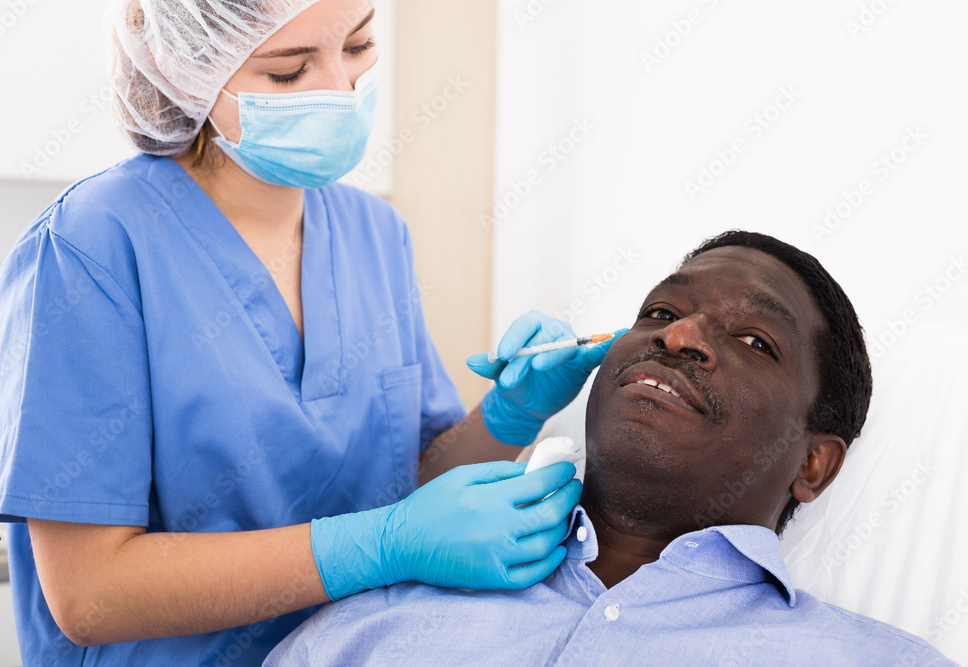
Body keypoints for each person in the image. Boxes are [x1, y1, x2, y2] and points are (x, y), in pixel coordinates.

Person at [0, 1, 617, 664]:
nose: (341, 90)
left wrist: (511, 413)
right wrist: (382, 544)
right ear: (184, 68)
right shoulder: (89, 249)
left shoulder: (375, 233)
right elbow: (90, 595)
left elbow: (411, 489)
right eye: (289, 71)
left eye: (358, 46)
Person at [265, 231, 957, 666]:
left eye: (756, 341)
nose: (678, 335)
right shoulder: (370, 623)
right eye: (660, 312)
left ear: (814, 464)